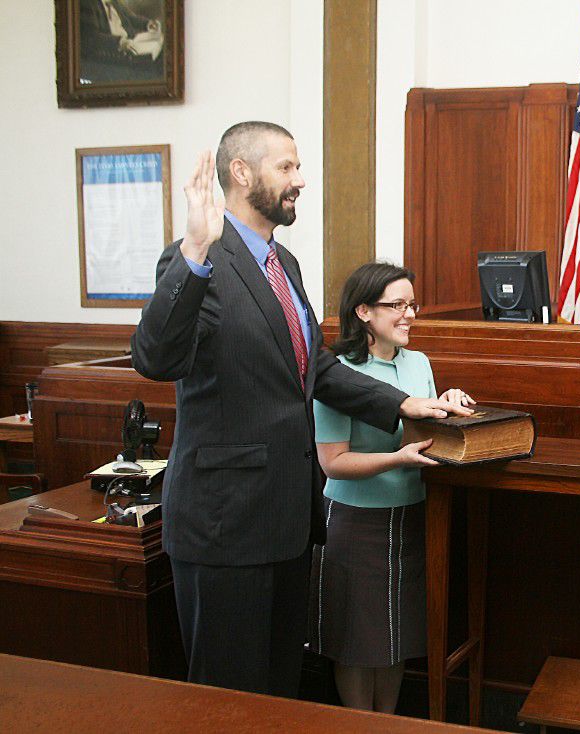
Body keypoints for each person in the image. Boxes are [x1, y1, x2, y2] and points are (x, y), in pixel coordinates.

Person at [131, 121, 470, 697]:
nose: (300, 180)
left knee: (280, 690)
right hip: (224, 524)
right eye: (286, 167)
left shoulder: (282, 264)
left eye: (298, 167)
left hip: (287, 520)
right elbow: (155, 357)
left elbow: (319, 370)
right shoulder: (198, 259)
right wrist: (192, 250)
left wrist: (408, 402)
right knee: (228, 696)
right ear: (241, 173)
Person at [310, 262, 472, 713]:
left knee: (397, 637)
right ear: (363, 311)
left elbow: (424, 437)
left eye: (412, 304)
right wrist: (397, 459)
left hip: (413, 517)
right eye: (396, 305)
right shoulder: (338, 372)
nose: (409, 314)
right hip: (355, 523)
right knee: (358, 642)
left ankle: (389, 722)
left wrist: (448, 405)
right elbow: (333, 463)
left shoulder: (419, 363)